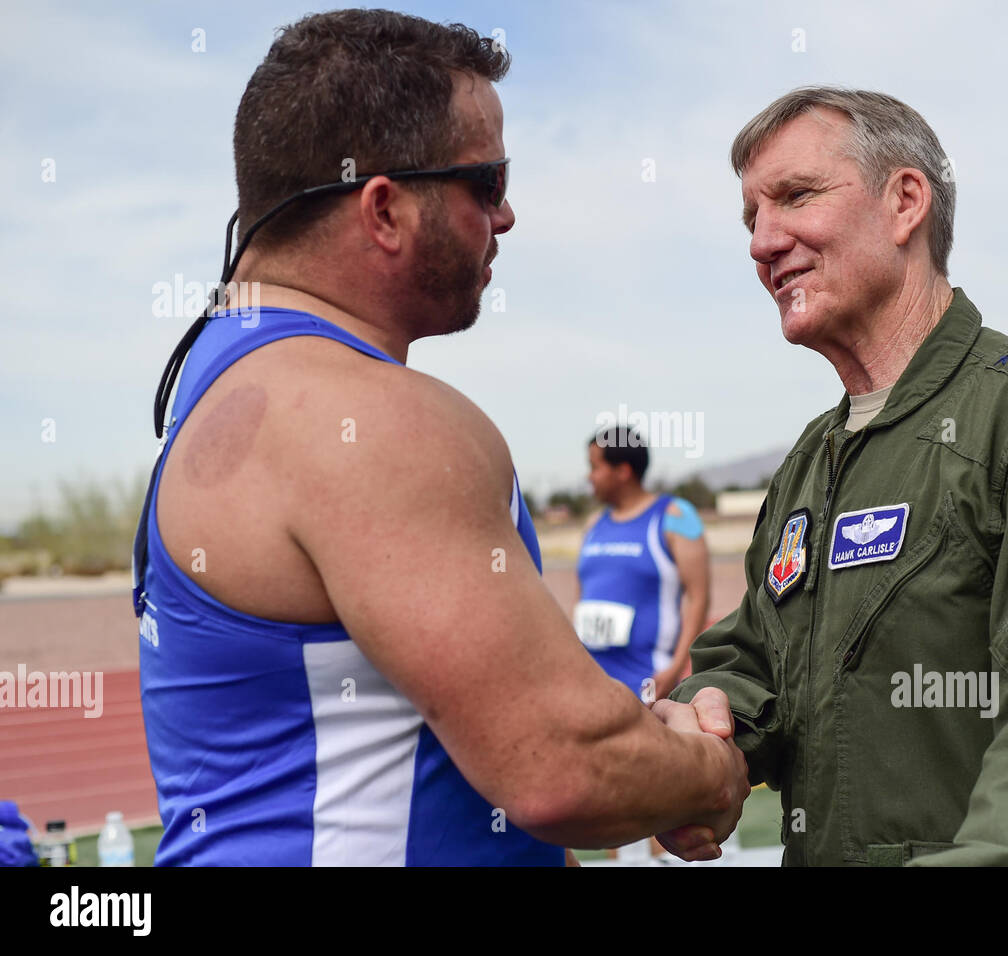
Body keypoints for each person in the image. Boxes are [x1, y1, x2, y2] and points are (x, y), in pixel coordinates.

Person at [131, 9, 747, 866]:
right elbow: (562, 766)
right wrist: (710, 773)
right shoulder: (369, 419)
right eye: (487, 183)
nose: (508, 217)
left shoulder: (223, 381)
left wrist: (637, 748)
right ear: (383, 208)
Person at [666, 87, 1008, 865]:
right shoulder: (813, 460)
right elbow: (756, 660)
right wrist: (702, 731)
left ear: (906, 202)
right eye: (751, 218)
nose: (762, 242)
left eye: (796, 197)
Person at [577, 427, 710, 703]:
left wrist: (675, 668)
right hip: (592, 684)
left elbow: (699, 597)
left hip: (647, 684)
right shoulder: (593, 525)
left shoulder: (674, 516)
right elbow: (583, 596)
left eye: (594, 467)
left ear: (623, 471)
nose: (589, 477)